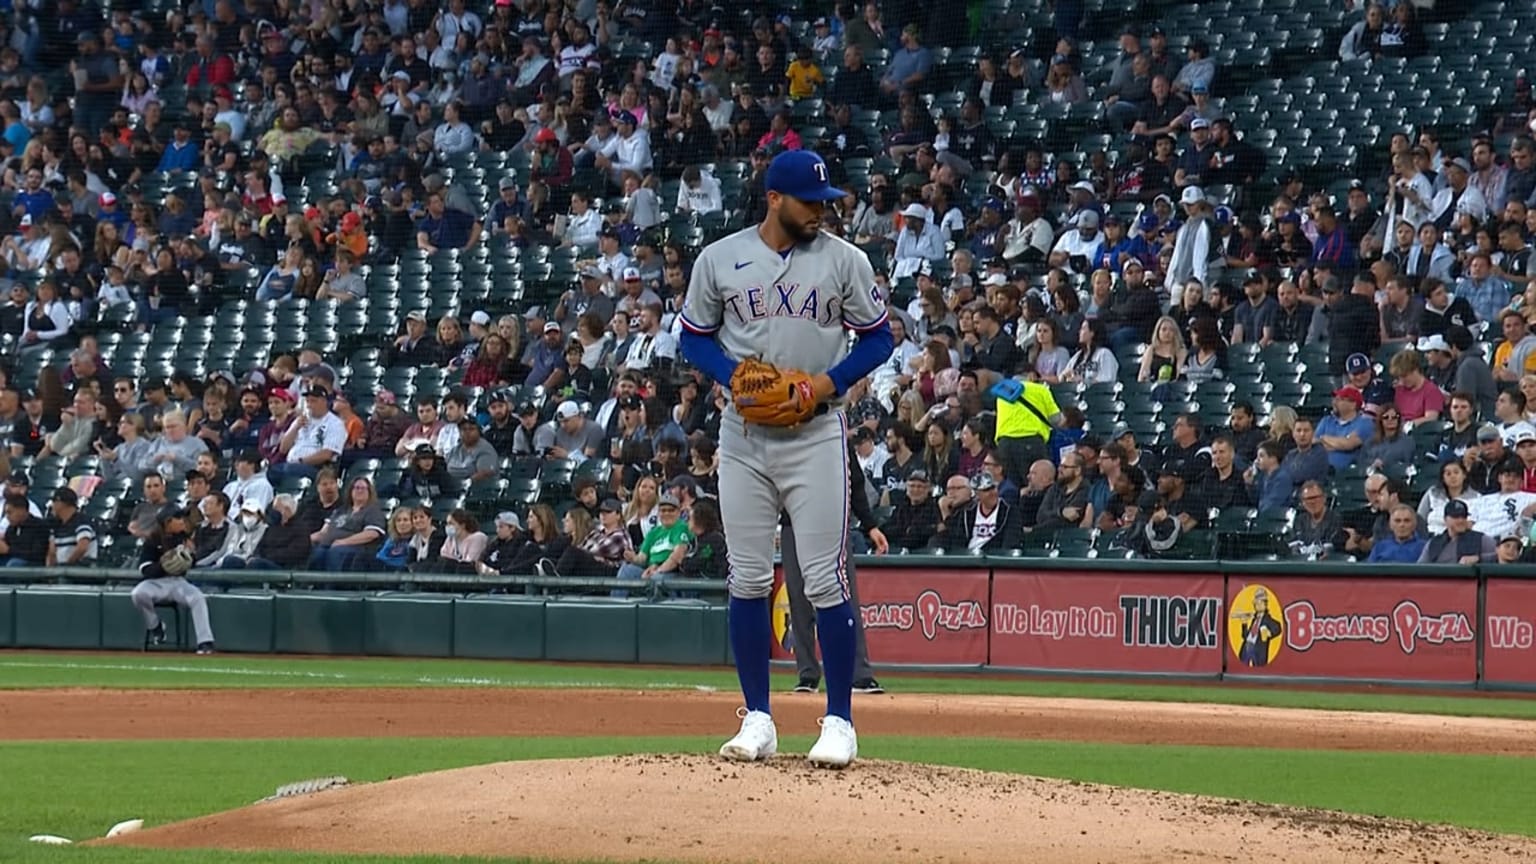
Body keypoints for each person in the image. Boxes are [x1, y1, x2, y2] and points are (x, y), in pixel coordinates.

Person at [679, 149, 893, 768]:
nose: (822, 213)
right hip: (743, 438)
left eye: (827, 204)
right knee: (746, 577)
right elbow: (694, 334)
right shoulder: (719, 258)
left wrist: (825, 385)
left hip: (817, 434)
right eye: (810, 203)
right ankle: (757, 719)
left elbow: (877, 335)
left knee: (825, 578)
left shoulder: (845, 260)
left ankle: (840, 722)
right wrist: (733, 374)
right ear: (774, 199)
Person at [782, 438, 885, 695]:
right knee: (798, 598)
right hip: (793, 523)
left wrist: (870, 524)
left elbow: (856, 484)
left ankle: (859, 673)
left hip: (832, 522)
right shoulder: (782, 435)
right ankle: (807, 673)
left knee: (845, 597)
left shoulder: (836, 436)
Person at [131, 507, 216, 654]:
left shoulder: (184, 538)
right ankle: (155, 626)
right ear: (168, 522)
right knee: (138, 594)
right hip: (156, 583)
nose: (183, 522)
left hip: (178, 583)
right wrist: (163, 567)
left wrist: (192, 556)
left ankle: (205, 642)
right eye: (179, 519)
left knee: (198, 598)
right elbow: (144, 569)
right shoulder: (153, 540)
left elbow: (192, 562)